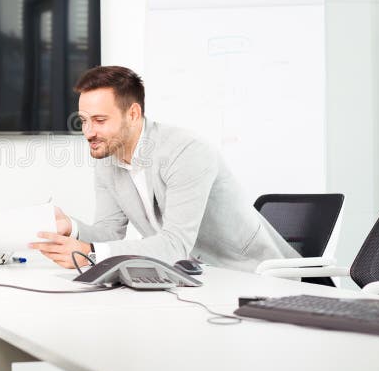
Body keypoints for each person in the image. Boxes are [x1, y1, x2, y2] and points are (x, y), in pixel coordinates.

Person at [31, 66, 299, 272]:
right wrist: (72, 228)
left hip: (252, 276)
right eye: (84, 121)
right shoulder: (108, 159)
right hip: (193, 277)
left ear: (133, 114)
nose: (89, 133)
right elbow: (109, 233)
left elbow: (175, 245)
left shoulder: (186, 151)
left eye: (100, 120)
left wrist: (88, 253)